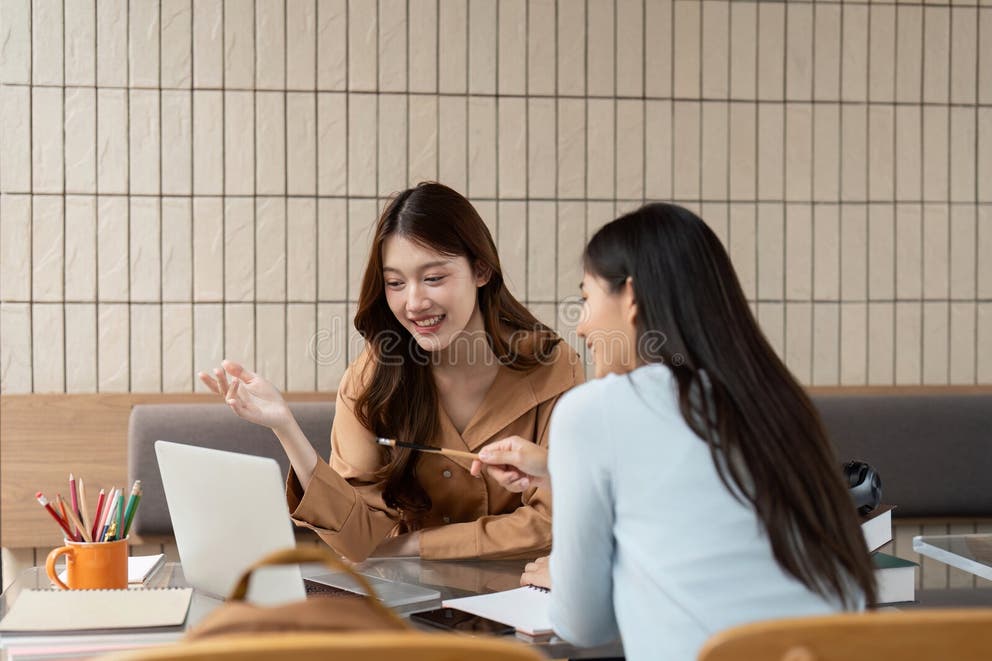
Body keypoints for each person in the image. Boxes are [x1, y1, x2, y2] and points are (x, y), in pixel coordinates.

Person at [471, 203, 876, 661]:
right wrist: (557, 471)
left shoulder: (592, 411)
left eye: (585, 299)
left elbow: (583, 625)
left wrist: (567, 578)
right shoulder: (776, 400)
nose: (581, 325)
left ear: (631, 297)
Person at [200, 182, 582, 562]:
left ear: (481, 270)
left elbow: (553, 520)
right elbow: (356, 538)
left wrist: (414, 546)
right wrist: (284, 425)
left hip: (524, 597)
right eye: (395, 283)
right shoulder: (371, 380)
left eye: (433, 278)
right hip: (408, 602)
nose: (414, 303)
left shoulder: (554, 368)